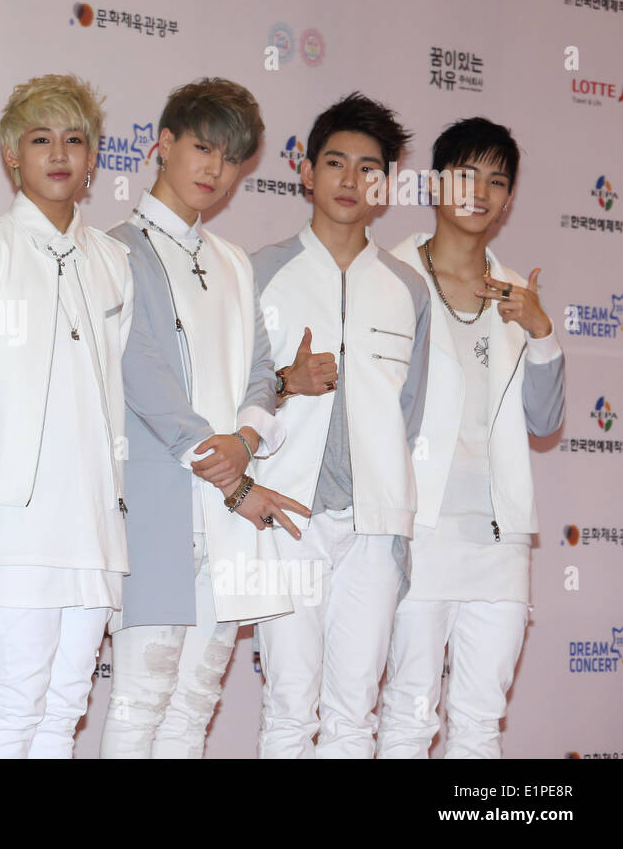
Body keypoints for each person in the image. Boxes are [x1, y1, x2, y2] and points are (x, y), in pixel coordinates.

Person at [99, 78, 308, 759]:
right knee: (139, 705)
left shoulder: (232, 262)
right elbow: (142, 375)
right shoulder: (115, 252)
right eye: (202, 147)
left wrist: (246, 440)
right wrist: (223, 466)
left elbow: (260, 370)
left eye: (231, 157)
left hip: (230, 513)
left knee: (193, 708)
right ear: (163, 144)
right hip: (159, 506)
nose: (214, 170)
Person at [0, 73, 133, 759]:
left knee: (65, 710)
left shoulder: (114, 261)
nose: (59, 154)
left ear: (93, 161)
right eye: (41, 139)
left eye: (75, 140)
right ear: (10, 155)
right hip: (16, 520)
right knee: (15, 703)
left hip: (95, 522)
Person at [378, 117, 565, 759]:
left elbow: (544, 422)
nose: (480, 192)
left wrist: (541, 331)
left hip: (498, 543)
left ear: (509, 200)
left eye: (498, 180)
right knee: (406, 717)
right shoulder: (390, 278)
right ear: (434, 185)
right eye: (466, 174)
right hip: (415, 534)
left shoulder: (518, 295)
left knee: (481, 725)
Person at [250, 92, 430, 758]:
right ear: (306, 171)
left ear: (385, 187)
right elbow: (237, 396)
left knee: (356, 714)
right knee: (289, 711)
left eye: (367, 168)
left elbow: (409, 412)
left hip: (373, 530)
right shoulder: (262, 272)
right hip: (287, 516)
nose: (350, 180)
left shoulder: (408, 288)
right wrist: (284, 384)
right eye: (335, 163)